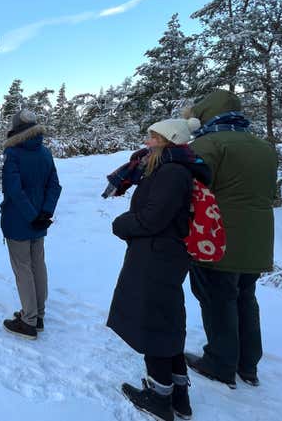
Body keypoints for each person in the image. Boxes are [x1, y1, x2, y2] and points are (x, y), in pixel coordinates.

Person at [106, 118, 211, 421]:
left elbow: (153, 218)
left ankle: (159, 396)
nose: (147, 142)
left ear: (167, 140)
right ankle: (179, 395)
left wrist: (121, 224)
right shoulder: (173, 168)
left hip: (157, 255)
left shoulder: (172, 172)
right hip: (162, 254)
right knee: (166, 319)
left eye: (153, 137)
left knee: (153, 322)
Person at [183, 90, 278, 388]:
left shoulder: (207, 144)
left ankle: (220, 363)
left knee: (217, 298)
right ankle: (248, 364)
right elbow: (271, 195)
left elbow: (188, 189)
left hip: (216, 237)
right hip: (258, 239)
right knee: (245, 296)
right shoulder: (264, 147)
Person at [0, 110, 62, 340]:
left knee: (23, 269)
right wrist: (44, 212)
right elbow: (54, 186)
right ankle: (39, 315)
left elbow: (13, 189)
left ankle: (28, 320)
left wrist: (32, 215)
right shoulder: (45, 152)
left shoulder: (13, 153)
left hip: (19, 221)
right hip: (39, 221)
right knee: (38, 265)